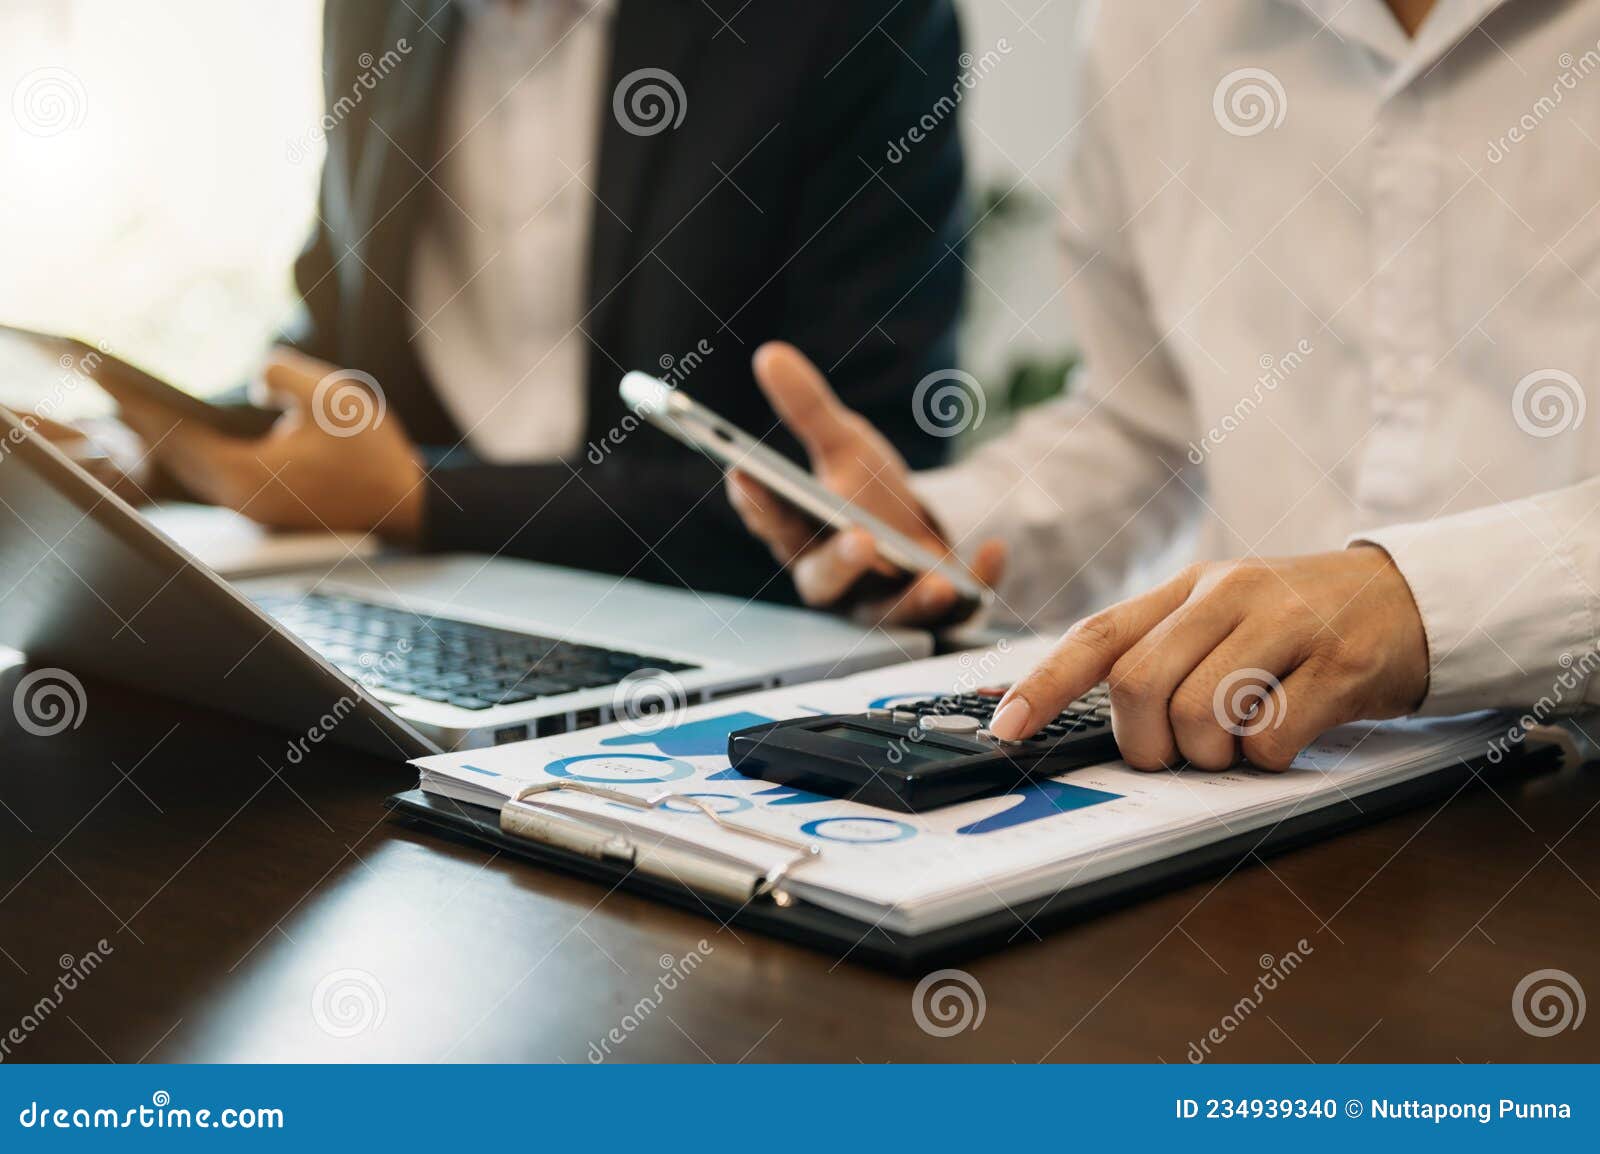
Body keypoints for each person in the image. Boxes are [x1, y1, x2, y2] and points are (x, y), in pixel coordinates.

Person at [728, 0, 1600, 770]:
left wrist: (1415, 605)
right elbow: (1144, 422)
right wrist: (944, 536)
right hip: (1249, 788)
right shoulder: (1151, 20)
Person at [84, 0, 967, 601]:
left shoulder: (853, 21)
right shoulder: (374, 16)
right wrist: (155, 452)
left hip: (713, 646)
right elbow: (338, 347)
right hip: (409, 601)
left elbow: (868, 487)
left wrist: (423, 498)